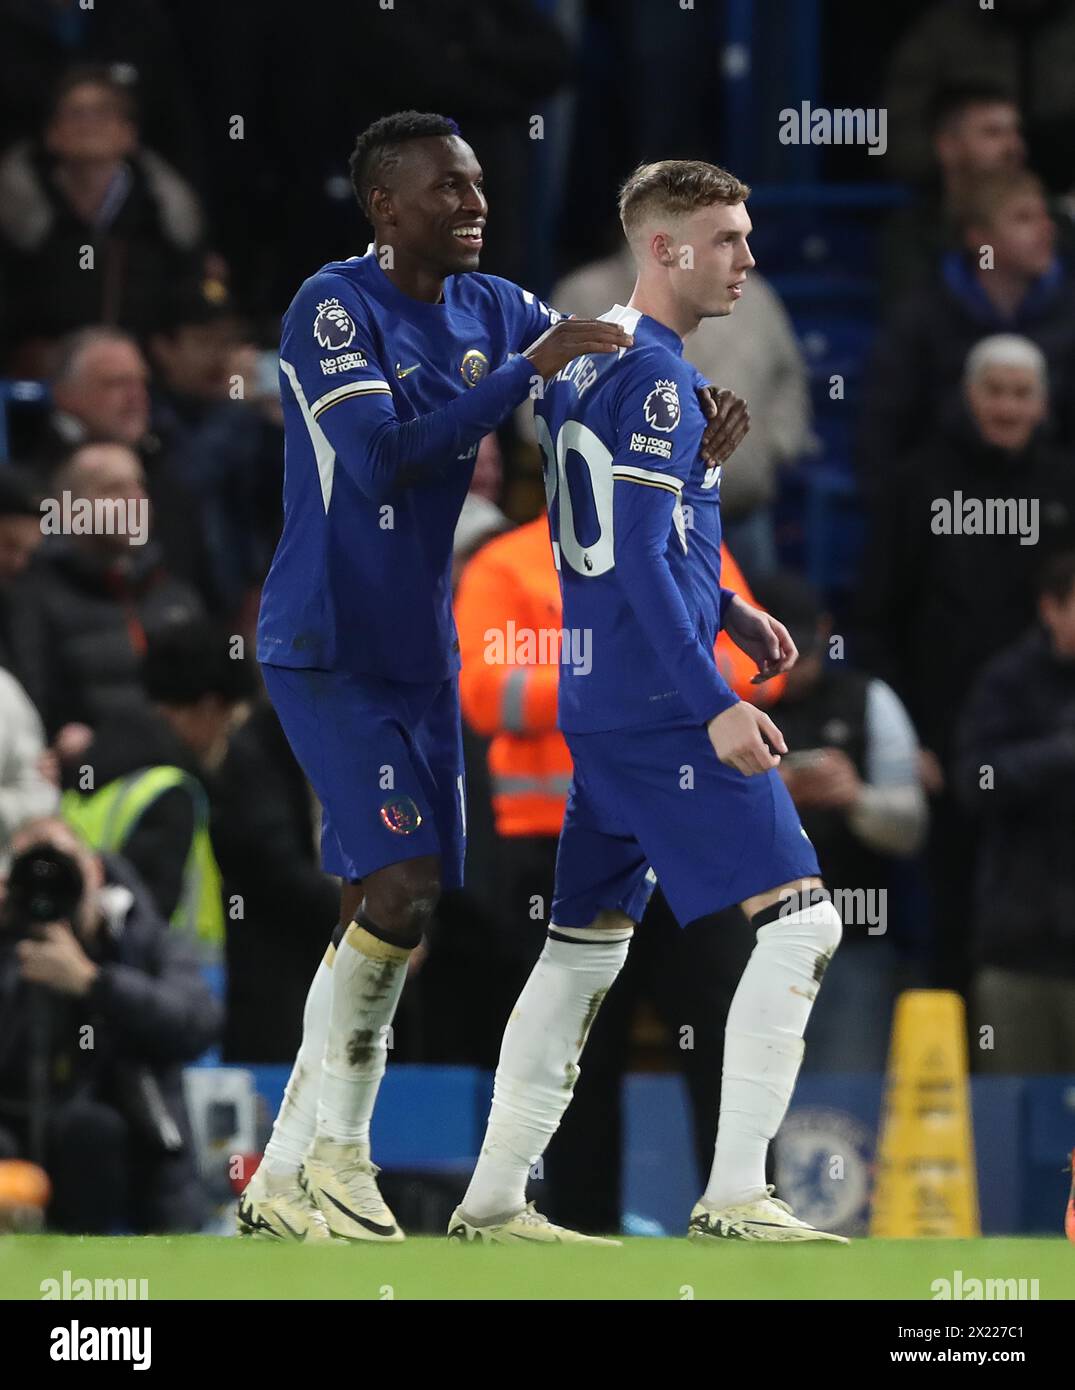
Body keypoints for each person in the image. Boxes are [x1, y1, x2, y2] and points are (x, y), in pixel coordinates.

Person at [242, 110, 746, 1243]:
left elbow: (593, 380)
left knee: (386, 912)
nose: (475, 205)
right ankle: (337, 1161)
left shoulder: (495, 306)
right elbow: (383, 454)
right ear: (384, 206)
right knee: (402, 891)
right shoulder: (334, 305)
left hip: (418, 649)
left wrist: (680, 430)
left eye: (477, 187)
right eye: (448, 191)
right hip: (325, 644)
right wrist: (528, 367)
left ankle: (282, 1179)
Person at [452, 160, 847, 1245]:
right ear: (665, 248)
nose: (748, 257)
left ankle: (492, 1197)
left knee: (581, 946)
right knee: (806, 924)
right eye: (726, 237)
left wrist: (724, 596)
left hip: (604, 700)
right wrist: (712, 694)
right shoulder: (661, 380)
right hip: (660, 702)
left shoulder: (585, 368)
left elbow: (617, 529)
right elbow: (627, 550)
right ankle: (734, 1195)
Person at [0, 815, 220, 1233]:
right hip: (15, 1126)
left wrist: (94, 981)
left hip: (126, 1148)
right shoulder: (8, 936)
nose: (51, 885)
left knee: (91, 1130)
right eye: (34, 869)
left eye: (63, 866)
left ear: (95, 871)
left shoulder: (141, 936)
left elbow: (196, 1023)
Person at [751, 571, 927, 1072]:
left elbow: (911, 829)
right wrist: (770, 795)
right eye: (777, 655)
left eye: (802, 653)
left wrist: (857, 798)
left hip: (855, 933)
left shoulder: (868, 700)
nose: (793, 668)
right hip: (751, 939)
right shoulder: (724, 707)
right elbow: (684, 826)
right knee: (755, 1096)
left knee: (847, 1099)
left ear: (825, 631)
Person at [857, 169, 1075, 489]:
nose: (1046, 228)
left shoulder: (1068, 315)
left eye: (1044, 215)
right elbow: (883, 436)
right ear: (978, 237)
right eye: (1023, 218)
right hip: (943, 508)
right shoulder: (921, 320)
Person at [954, 552, 1075, 1072]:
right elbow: (975, 782)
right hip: (1021, 952)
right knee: (1018, 1126)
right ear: (1051, 606)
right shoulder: (1008, 682)